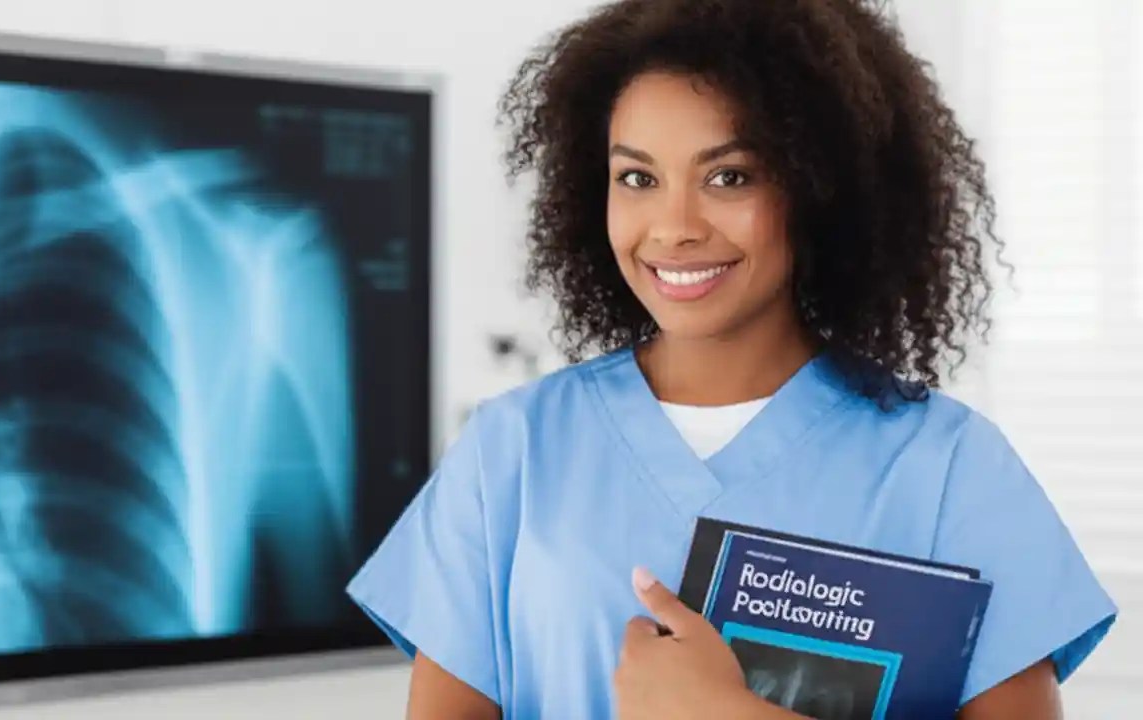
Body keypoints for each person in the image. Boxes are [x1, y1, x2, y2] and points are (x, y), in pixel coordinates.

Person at [345, 0, 1119, 717]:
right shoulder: (510, 451)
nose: (674, 226)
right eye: (637, 177)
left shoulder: (952, 469)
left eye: (729, 176)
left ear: (821, 188)